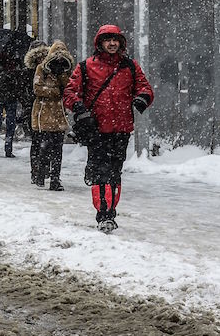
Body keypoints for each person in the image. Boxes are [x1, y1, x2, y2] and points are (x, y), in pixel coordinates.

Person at [63, 24, 153, 233]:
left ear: (121, 43)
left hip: (121, 129)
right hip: (96, 129)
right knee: (103, 172)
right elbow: (70, 92)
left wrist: (142, 98)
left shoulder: (130, 66)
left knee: (115, 172)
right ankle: (104, 215)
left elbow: (144, 87)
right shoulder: (86, 67)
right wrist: (80, 109)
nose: (112, 44)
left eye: (116, 40)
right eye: (108, 40)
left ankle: (110, 209)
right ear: (100, 43)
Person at [29, 41, 75, 191]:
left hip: (59, 115)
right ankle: (41, 173)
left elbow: (69, 88)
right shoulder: (41, 68)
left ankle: (55, 178)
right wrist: (55, 91)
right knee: (45, 146)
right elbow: (37, 88)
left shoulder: (67, 71)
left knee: (57, 149)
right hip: (45, 114)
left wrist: (62, 75)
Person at [0, 43, 30, 158]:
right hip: (2, 95)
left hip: (7, 96)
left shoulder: (14, 63)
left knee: (6, 122)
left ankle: (6, 145)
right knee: (1, 121)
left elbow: (21, 79)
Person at [23, 40, 50, 184]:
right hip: (39, 109)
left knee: (39, 141)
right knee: (42, 141)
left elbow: (23, 92)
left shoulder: (28, 71)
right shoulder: (47, 69)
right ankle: (41, 169)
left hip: (37, 109)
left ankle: (39, 169)